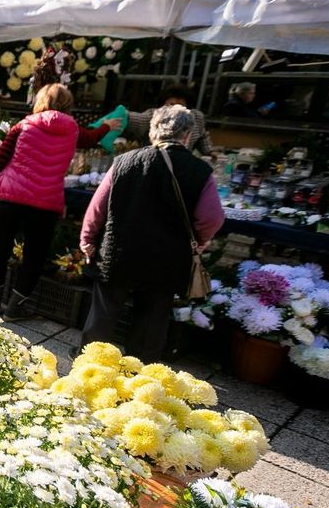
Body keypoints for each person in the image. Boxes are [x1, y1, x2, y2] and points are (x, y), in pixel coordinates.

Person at [80, 105, 225, 362]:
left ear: (153, 130)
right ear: (188, 134)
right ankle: (139, 375)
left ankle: (90, 365)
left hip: (119, 251)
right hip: (167, 258)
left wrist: (88, 240)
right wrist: (200, 241)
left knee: (103, 314)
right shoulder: (200, 171)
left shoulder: (125, 161)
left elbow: (97, 207)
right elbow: (211, 217)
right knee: (152, 321)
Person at [0, 83, 122, 319]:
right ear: (69, 105)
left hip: (9, 197)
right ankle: (15, 307)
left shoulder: (23, 125)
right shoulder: (72, 130)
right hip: (44, 201)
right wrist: (106, 126)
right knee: (34, 255)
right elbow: (90, 139)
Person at [123, 83, 214, 155]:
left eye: (180, 106)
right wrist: (122, 116)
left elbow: (202, 136)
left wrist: (210, 152)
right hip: (155, 160)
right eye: (171, 105)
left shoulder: (195, 118)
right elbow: (137, 120)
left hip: (183, 164)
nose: (175, 110)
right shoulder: (155, 116)